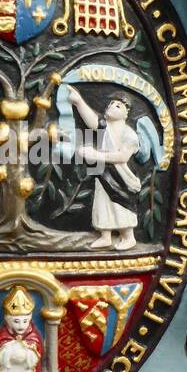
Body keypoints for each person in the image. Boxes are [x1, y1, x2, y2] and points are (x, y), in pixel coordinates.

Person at [64, 86, 141, 251]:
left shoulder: (129, 134)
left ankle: (128, 236)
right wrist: (78, 101)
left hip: (121, 175)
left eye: (118, 106)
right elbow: (91, 119)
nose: (112, 106)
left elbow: (122, 157)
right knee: (102, 203)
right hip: (104, 173)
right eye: (111, 103)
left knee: (121, 202)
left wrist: (95, 155)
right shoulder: (104, 127)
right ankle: (105, 236)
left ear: (126, 113)